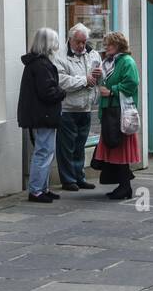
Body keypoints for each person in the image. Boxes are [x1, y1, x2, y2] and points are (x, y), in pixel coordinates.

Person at [17, 27, 65, 203]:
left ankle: (42, 187)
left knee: (45, 151)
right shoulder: (42, 65)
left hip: (38, 114)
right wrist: (62, 92)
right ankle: (37, 190)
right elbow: (48, 92)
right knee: (43, 151)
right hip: (43, 115)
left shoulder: (36, 64)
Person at [92, 31, 141, 200]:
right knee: (115, 149)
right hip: (109, 111)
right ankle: (123, 185)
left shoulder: (127, 61)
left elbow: (132, 83)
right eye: (105, 44)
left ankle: (125, 186)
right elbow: (105, 84)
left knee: (120, 149)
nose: (106, 47)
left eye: (110, 44)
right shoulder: (108, 62)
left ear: (119, 45)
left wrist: (112, 91)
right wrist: (98, 78)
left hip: (119, 114)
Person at [53, 23, 102, 191]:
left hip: (86, 107)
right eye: (78, 42)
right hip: (68, 108)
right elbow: (61, 81)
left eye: (84, 42)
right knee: (67, 147)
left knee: (80, 145)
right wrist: (84, 80)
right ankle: (68, 180)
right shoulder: (60, 57)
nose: (81, 46)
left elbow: (98, 77)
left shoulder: (93, 54)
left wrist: (99, 76)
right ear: (70, 39)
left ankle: (79, 176)